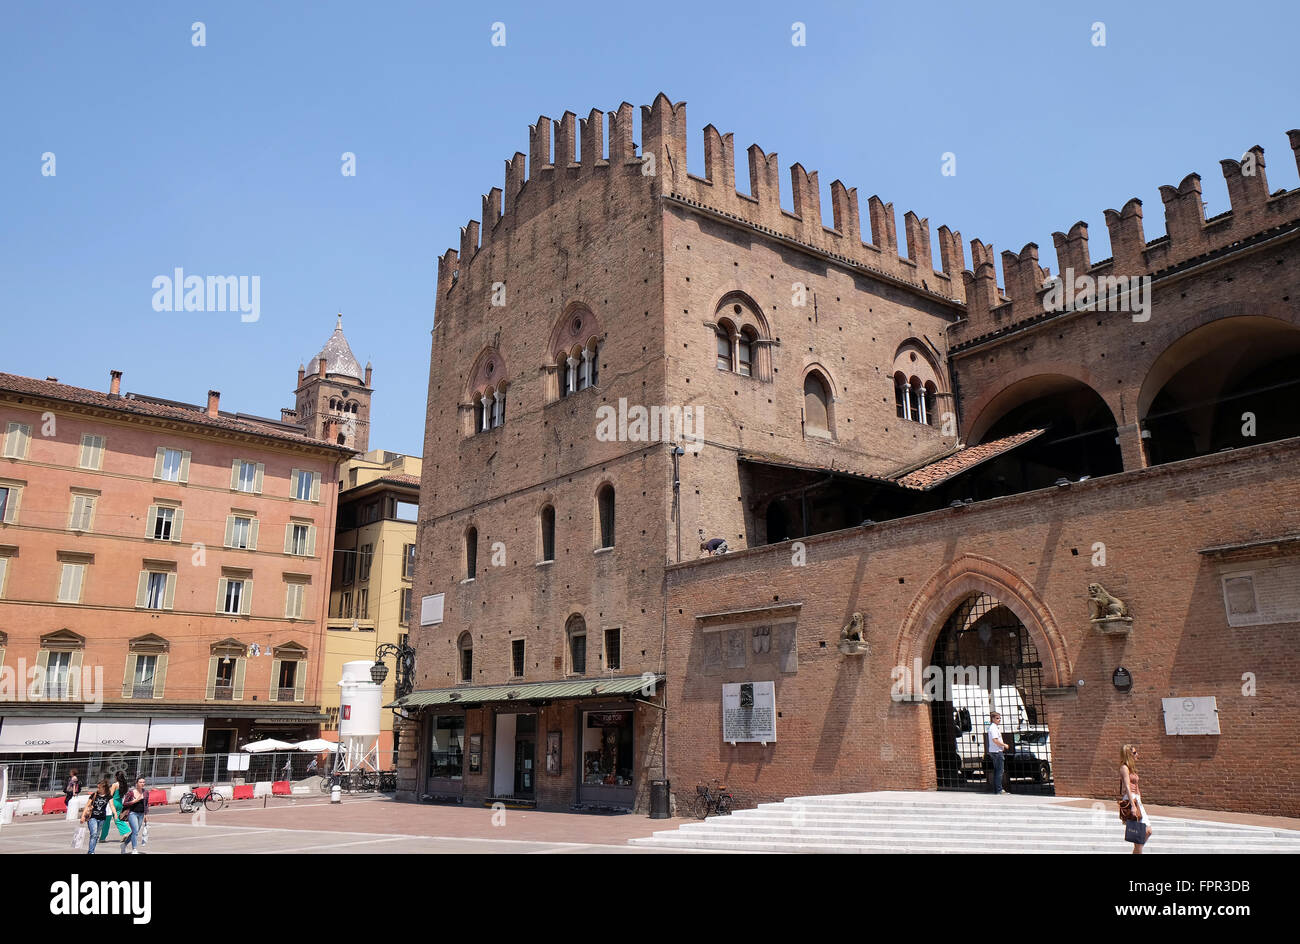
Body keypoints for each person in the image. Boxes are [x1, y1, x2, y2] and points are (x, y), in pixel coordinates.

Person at [1120, 744, 1152, 854]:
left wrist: (1140, 802)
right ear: (1128, 755)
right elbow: (1127, 787)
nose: (1137, 754)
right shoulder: (1124, 768)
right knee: (1139, 835)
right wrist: (1133, 806)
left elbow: (1136, 787)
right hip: (1131, 800)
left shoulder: (1132, 769)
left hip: (1137, 800)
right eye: (1134, 753)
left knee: (1148, 831)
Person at [80, 779, 111, 855]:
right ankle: (91, 852)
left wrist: (116, 814)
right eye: (97, 787)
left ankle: (91, 850)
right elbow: (87, 806)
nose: (98, 789)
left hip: (102, 818)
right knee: (93, 834)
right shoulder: (94, 795)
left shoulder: (108, 796)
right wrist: (83, 816)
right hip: (92, 817)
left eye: (99, 787)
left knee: (96, 835)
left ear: (104, 788)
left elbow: (112, 806)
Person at [121, 777, 150, 854]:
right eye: (140, 782)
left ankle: (124, 844)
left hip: (141, 814)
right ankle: (134, 849)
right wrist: (134, 801)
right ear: (136, 783)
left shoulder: (146, 792)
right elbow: (124, 803)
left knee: (135, 832)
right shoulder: (131, 793)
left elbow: (146, 804)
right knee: (135, 831)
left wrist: (146, 814)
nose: (142, 784)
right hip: (132, 813)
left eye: (143, 782)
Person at [986, 710, 1009, 795]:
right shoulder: (993, 728)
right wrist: (1004, 745)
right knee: (999, 771)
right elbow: (995, 740)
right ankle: (999, 790)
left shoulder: (993, 727)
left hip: (994, 751)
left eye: (1000, 718)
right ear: (992, 719)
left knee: (997, 771)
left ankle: (997, 789)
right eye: (997, 718)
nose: (999, 720)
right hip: (997, 751)